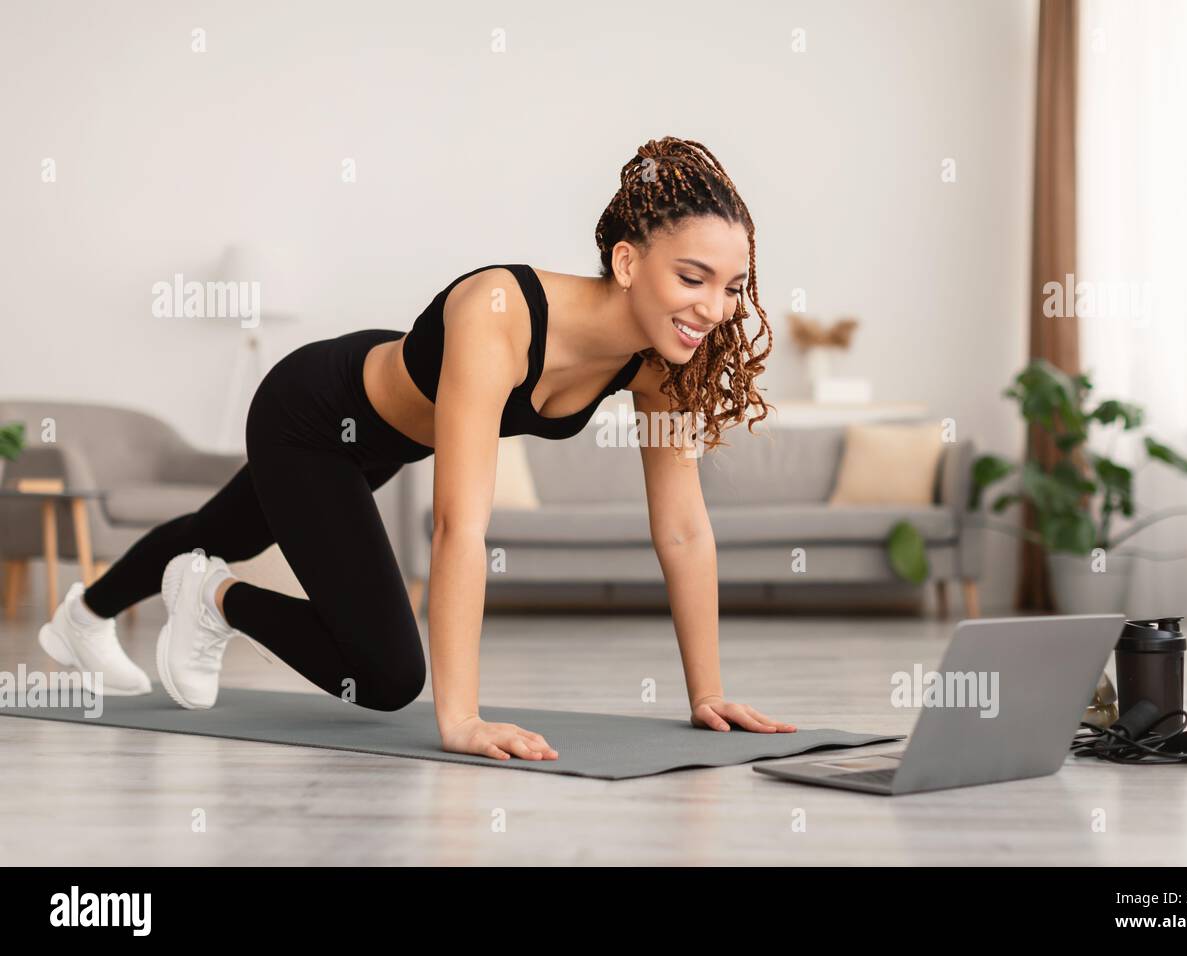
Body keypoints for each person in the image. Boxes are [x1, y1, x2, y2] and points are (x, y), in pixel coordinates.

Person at [37, 136, 797, 761]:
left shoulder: (664, 367)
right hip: (307, 414)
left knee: (221, 529)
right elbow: (460, 526)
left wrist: (707, 693)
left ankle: (83, 615)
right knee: (387, 674)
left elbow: (684, 529)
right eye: (693, 278)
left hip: (385, 440)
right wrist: (460, 719)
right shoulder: (500, 311)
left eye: (732, 287)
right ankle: (212, 598)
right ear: (629, 263)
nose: (714, 308)